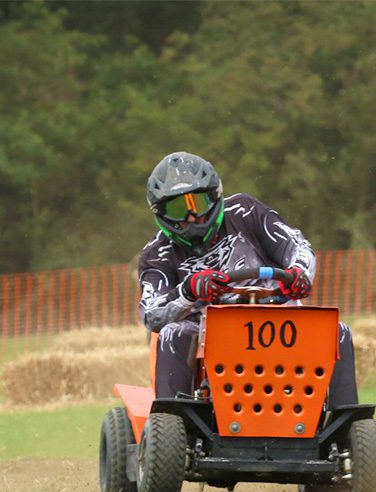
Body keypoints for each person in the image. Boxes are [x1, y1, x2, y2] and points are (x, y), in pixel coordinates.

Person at [138, 151, 358, 406]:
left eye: (198, 203)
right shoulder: (157, 254)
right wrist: (189, 291)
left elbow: (296, 244)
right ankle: (176, 424)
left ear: (214, 196)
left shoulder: (245, 211)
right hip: (204, 334)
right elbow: (151, 313)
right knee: (172, 335)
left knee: (337, 332)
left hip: (276, 318)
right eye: (178, 208)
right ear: (162, 213)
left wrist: (299, 271)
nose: (191, 216)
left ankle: (345, 424)